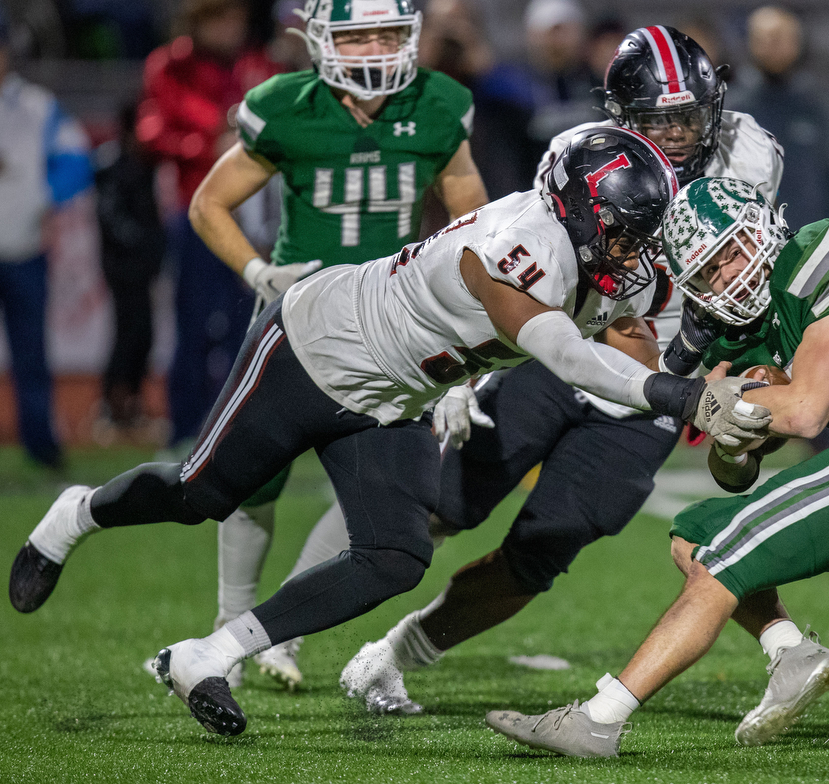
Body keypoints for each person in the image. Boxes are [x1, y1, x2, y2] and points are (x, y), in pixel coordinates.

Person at [10, 128, 775, 738]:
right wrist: (683, 399)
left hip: (398, 395)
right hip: (315, 350)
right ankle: (74, 515)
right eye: (623, 230)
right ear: (574, 205)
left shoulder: (613, 260)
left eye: (644, 236)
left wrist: (702, 371)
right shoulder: (517, 241)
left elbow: (633, 351)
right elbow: (563, 353)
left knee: (394, 555)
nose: (633, 250)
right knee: (197, 494)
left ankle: (208, 656)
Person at [338, 25, 786, 716]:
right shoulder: (586, 158)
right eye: (656, 121)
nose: (675, 135)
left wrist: (713, 354)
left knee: (539, 555)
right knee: (440, 506)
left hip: (658, 389)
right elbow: (511, 257)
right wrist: (461, 372)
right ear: (621, 119)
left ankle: (394, 653)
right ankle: (284, 624)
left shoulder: (751, 156)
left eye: (688, 116)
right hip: (561, 357)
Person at [485, 176, 829, 757]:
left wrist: (729, 401)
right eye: (710, 272)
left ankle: (598, 719)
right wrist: (731, 432)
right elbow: (733, 474)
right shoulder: (742, 337)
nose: (729, 275)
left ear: (760, 227)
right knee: (696, 535)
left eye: (732, 251)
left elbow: (809, 411)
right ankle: (790, 652)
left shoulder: (819, 248)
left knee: (725, 550)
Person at [189, 0, 489, 689]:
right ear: (320, 41)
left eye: (389, 32)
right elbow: (209, 202)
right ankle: (227, 626)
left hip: (395, 324)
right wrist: (257, 270)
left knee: (383, 491)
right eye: (359, 36)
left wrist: (463, 366)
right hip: (295, 320)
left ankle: (272, 634)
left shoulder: (438, 104)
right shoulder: (286, 106)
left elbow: (477, 234)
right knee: (245, 480)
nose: (377, 49)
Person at [134, 0, 281, 453]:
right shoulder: (170, 65)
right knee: (195, 325)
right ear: (196, 20)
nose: (229, 26)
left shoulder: (259, 63)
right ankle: (185, 430)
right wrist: (209, 142)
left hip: (259, 215)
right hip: (198, 212)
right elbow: (150, 133)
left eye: (234, 16)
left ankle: (243, 431)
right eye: (218, 17)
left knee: (252, 326)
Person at [0, 14, 92, 469]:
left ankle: (41, 445)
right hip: (21, 244)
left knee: (31, 354)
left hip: (21, 246)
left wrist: (44, 198)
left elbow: (77, 158)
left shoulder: (37, 106)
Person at [726, 6, 829, 230]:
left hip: (813, 244)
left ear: (798, 43)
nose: (773, 46)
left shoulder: (821, 104)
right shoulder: (730, 107)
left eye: (781, 38)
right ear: (749, 42)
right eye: (765, 38)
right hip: (745, 246)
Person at [92, 102, 167, 442]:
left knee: (144, 335)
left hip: (144, 266)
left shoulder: (148, 164)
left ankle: (131, 406)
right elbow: (110, 216)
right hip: (122, 267)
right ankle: (110, 407)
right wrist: (140, 244)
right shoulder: (111, 164)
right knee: (127, 334)